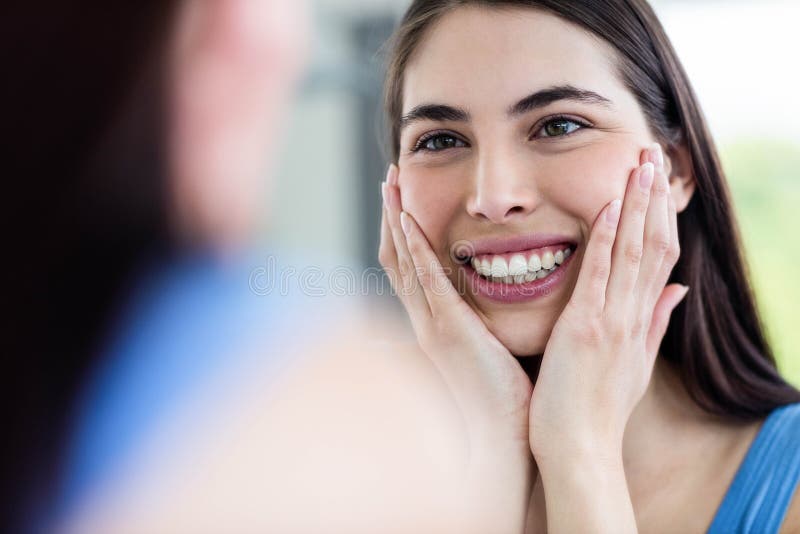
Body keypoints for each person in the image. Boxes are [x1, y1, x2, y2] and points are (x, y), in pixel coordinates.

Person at [378, 0, 800, 532]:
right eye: (440, 140)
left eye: (558, 126)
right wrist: (498, 443)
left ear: (675, 170)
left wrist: (581, 451)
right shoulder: (327, 476)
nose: (493, 196)